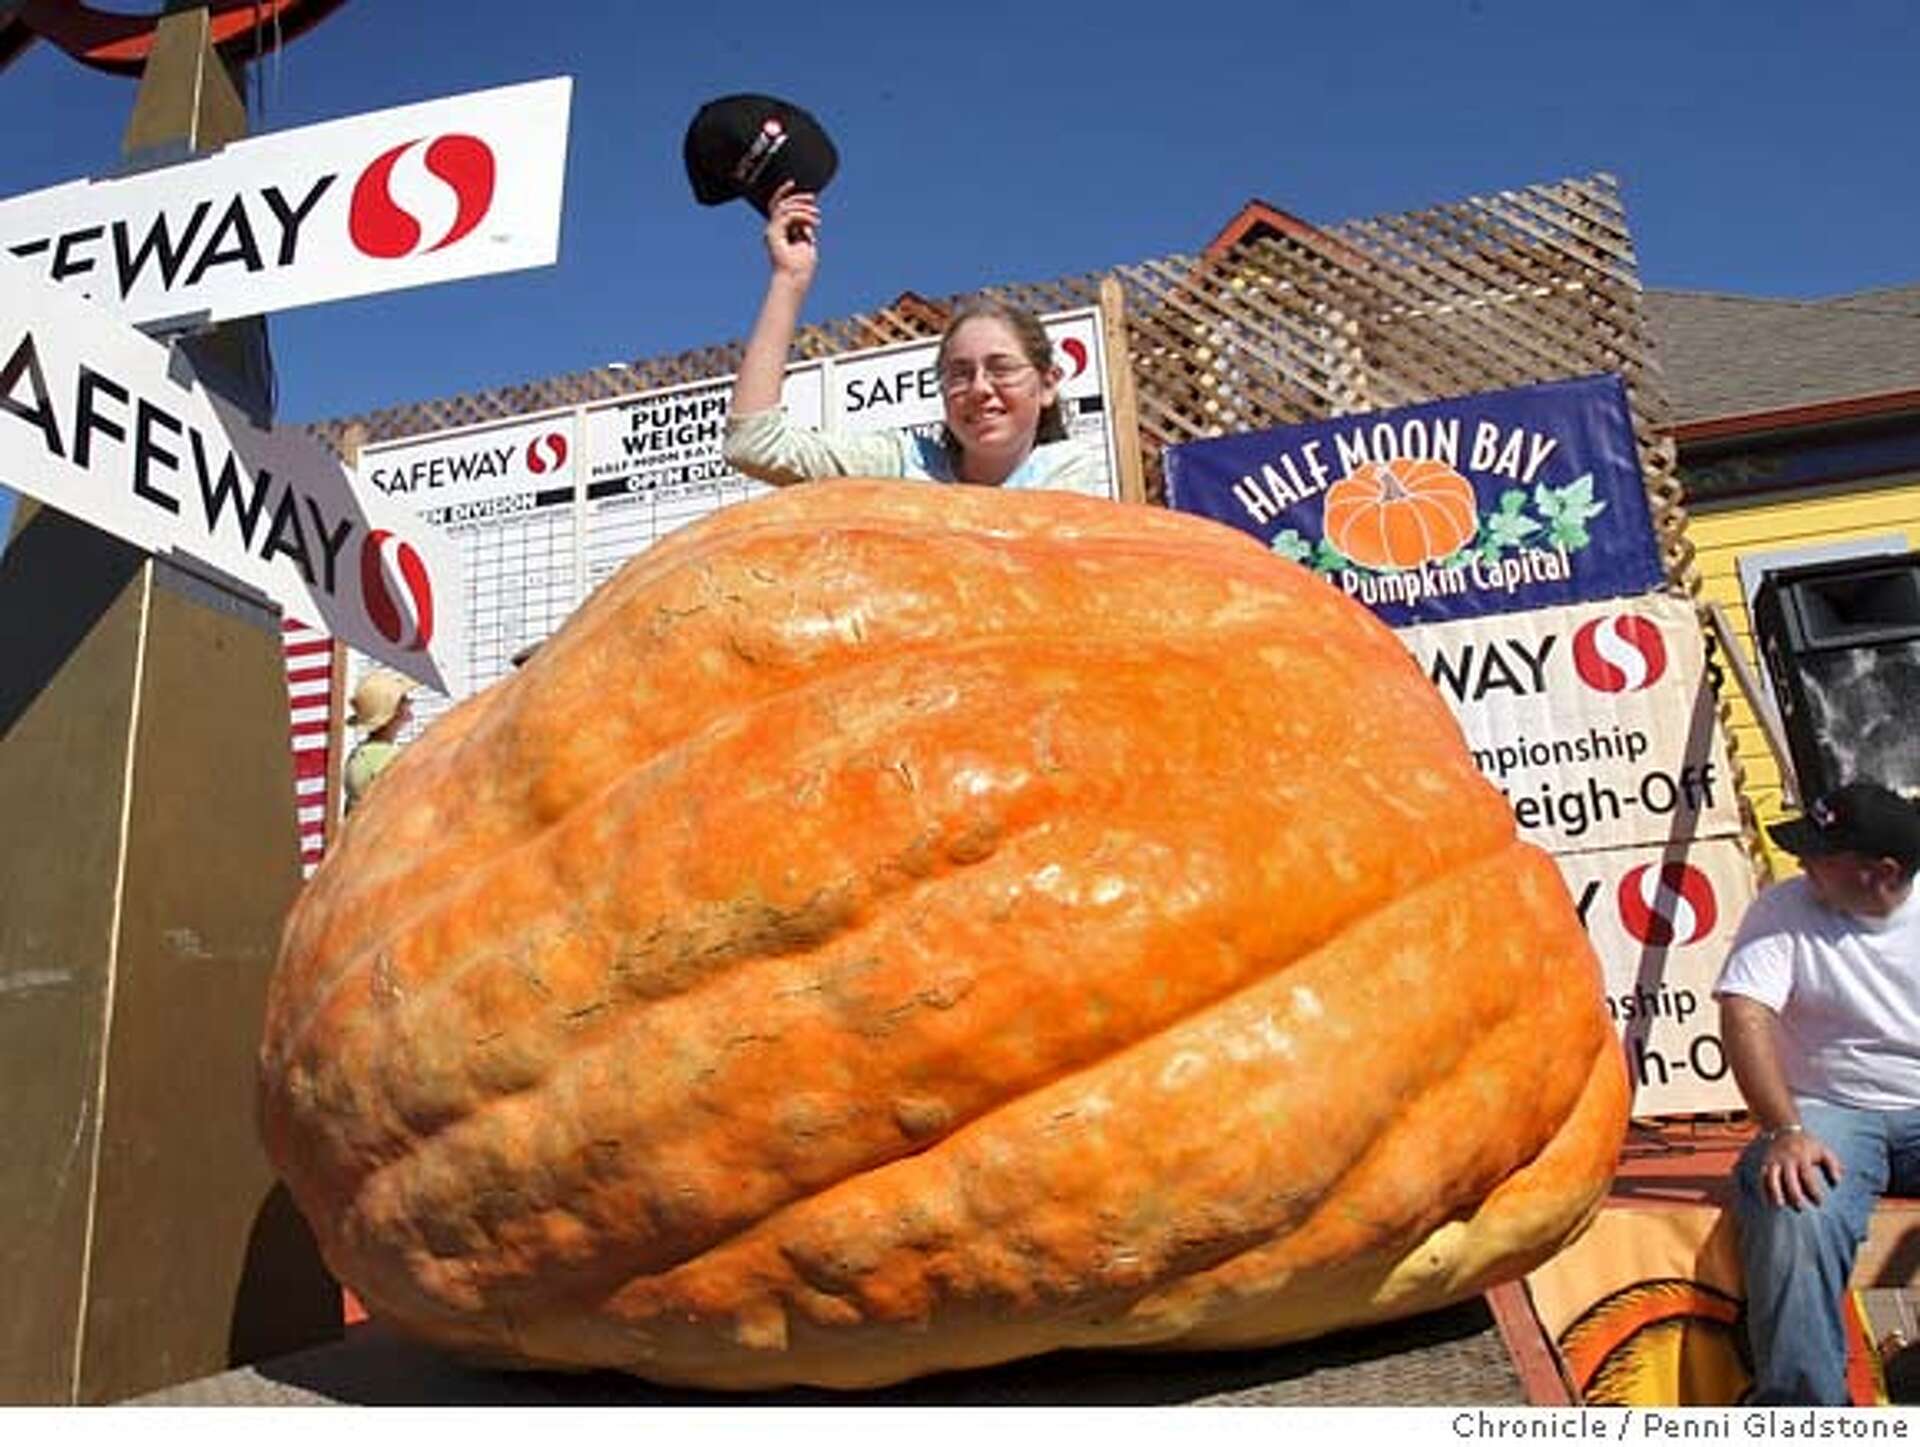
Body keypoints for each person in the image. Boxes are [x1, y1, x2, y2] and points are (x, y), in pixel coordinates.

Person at [1713, 780, 1920, 1404]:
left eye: (1821, 854)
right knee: (1794, 1204)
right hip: (1828, 1110)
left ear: (1882, 873)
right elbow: (1745, 1012)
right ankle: (1804, 1412)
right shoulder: (1783, 908)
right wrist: (1785, 1129)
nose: (1801, 862)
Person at [722, 183, 1100, 493]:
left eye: (1001, 368)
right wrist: (789, 279)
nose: (980, 388)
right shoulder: (899, 464)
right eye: (960, 374)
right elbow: (753, 445)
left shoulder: (1068, 472)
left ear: (1047, 384)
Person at [343, 669, 414, 815]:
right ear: (395, 713)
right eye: (404, 700)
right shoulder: (390, 760)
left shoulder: (359, 754)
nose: (409, 703)